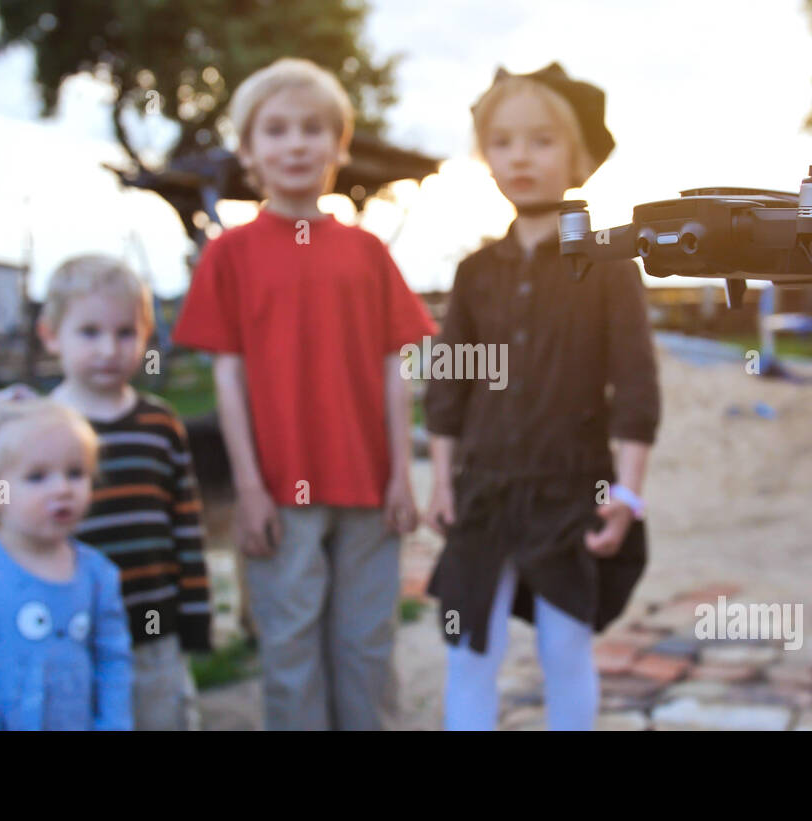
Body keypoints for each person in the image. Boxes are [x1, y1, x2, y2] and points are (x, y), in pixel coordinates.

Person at [171, 58, 437, 730]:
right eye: (277, 129)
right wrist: (251, 487)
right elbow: (226, 379)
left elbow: (391, 369)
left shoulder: (368, 253)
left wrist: (404, 474)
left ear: (339, 146)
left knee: (366, 645)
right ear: (248, 149)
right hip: (277, 489)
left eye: (313, 128)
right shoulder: (229, 256)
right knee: (290, 648)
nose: (296, 143)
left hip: (371, 487)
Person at [424, 63, 661, 731]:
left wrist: (629, 492)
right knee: (469, 649)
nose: (520, 156)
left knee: (566, 648)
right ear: (485, 156)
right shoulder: (474, 274)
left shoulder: (609, 266)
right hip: (484, 492)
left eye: (541, 140)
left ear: (579, 154)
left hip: (571, 493)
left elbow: (636, 385)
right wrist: (442, 480)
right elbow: (448, 384)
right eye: (502, 141)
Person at [35, 254, 213, 731]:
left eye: (125, 333)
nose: (109, 349)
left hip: (153, 629)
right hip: (69, 629)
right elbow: (14, 529)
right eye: (89, 332)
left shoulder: (160, 425)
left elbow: (185, 524)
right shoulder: (39, 429)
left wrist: (193, 616)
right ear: (51, 335)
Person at [0, 398, 134, 730]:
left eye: (76, 473)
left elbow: (113, 661)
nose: (62, 489)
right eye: (37, 476)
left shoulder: (98, 574)